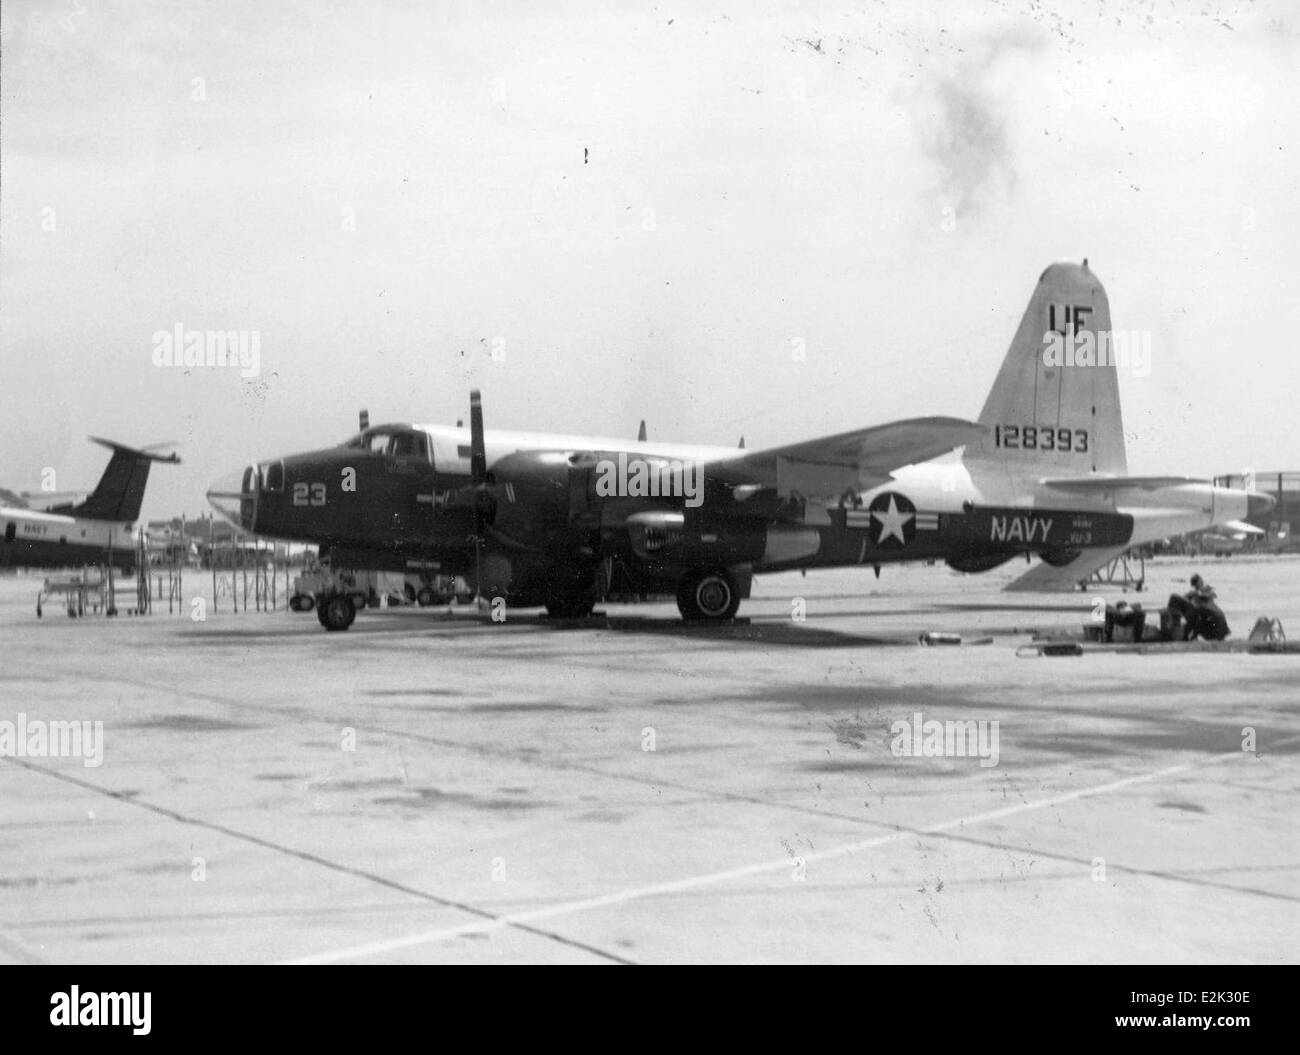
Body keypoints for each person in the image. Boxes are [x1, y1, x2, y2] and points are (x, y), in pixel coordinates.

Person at [1166, 574, 1230, 641]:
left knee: (1176, 599)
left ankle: (1171, 630)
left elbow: (1196, 619)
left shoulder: (1204, 593)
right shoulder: (1205, 596)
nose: (1195, 587)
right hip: (1219, 631)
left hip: (1215, 631)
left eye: (1195, 585)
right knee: (1194, 616)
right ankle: (1174, 630)